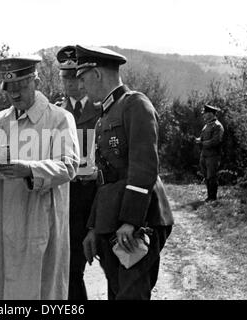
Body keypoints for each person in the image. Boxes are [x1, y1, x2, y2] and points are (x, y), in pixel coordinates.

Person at [0, 56, 80, 300]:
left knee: (38, 286)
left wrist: (30, 169)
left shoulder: (60, 119)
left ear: (36, 81)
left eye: (21, 86)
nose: (14, 93)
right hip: (3, 213)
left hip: (39, 215)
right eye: (9, 88)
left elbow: (69, 165)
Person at [77, 45, 174, 300]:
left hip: (140, 219)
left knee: (131, 294)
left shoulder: (135, 104)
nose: (81, 86)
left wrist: (132, 220)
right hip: (112, 219)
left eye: (83, 78)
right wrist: (93, 227)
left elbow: (145, 165)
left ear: (97, 74)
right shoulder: (105, 116)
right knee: (118, 292)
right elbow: (105, 177)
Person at [56, 45, 101, 300]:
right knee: (71, 269)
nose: (71, 83)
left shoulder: (102, 109)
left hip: (98, 197)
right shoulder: (56, 114)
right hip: (67, 201)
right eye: (65, 77)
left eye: (75, 76)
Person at [196, 104, 224, 201]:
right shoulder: (206, 125)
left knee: (211, 176)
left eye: (206, 113)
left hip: (213, 155)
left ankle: (212, 198)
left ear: (211, 114)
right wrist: (199, 139)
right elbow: (203, 137)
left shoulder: (217, 126)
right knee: (206, 176)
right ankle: (209, 196)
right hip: (204, 154)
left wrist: (202, 142)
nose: (204, 115)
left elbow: (216, 141)